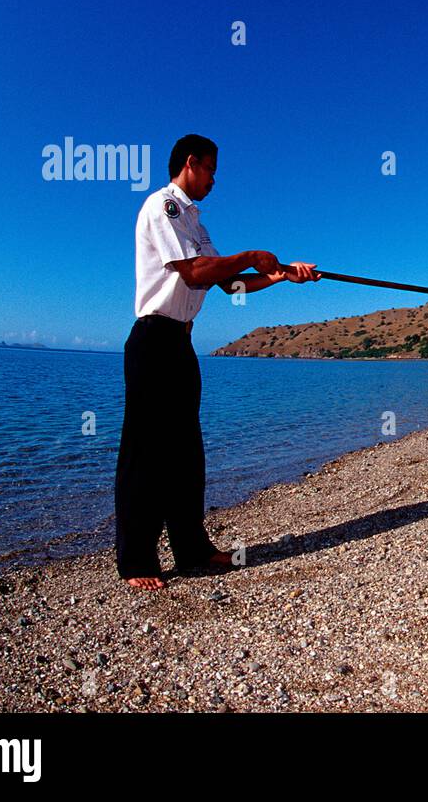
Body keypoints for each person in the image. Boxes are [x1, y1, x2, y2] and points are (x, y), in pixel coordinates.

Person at [114, 134, 321, 590]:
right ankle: (136, 561)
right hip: (152, 340)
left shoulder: (197, 225)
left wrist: (286, 275)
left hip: (180, 345)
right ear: (191, 163)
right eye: (210, 169)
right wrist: (250, 255)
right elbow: (192, 273)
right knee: (144, 451)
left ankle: (191, 549)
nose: (213, 179)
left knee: (186, 451)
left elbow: (229, 286)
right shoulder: (162, 207)